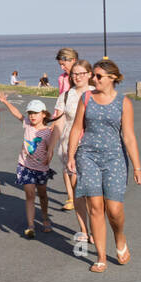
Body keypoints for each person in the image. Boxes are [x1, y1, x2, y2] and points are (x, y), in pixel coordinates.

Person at [67, 59, 141, 272]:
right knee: (95, 207)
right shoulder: (86, 98)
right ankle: (101, 257)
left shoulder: (124, 103)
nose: (94, 79)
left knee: (114, 209)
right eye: (94, 75)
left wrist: (137, 167)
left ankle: (119, 237)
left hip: (115, 158)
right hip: (88, 156)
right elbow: (76, 129)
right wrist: (72, 155)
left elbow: (128, 136)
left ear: (112, 78)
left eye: (99, 76)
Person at [0, 96, 58, 237]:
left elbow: (50, 149)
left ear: (43, 114)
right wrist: (6, 102)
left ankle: (45, 217)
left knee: (42, 194)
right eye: (30, 113)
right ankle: (31, 225)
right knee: (30, 194)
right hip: (25, 166)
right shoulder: (27, 124)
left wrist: (49, 156)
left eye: (36, 113)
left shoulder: (47, 132)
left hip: (41, 169)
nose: (32, 116)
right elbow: (17, 114)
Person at [53, 59, 93, 229]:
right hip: (70, 147)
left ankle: (95, 226)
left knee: (92, 193)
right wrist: (49, 148)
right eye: (74, 74)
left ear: (89, 74)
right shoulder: (66, 96)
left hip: (92, 147)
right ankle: (85, 229)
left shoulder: (96, 92)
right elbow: (58, 123)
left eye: (81, 73)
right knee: (78, 191)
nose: (77, 77)